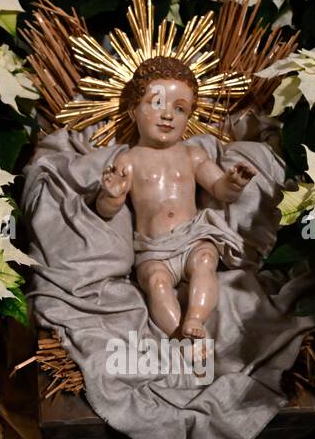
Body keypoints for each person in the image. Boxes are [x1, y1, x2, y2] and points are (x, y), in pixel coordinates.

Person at [92, 56, 257, 340]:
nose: (168, 115)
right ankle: (179, 336)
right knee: (156, 282)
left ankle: (195, 320)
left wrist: (234, 182)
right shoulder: (128, 160)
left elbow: (220, 190)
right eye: (157, 104)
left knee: (206, 259)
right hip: (153, 249)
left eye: (180, 109)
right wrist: (112, 195)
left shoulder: (192, 155)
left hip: (192, 237)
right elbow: (105, 212)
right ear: (133, 110)